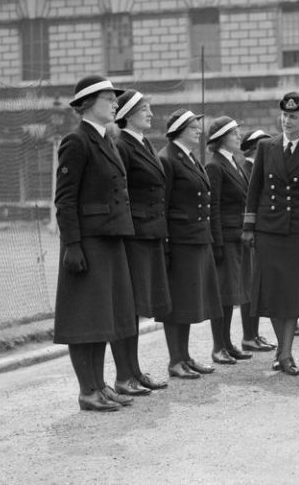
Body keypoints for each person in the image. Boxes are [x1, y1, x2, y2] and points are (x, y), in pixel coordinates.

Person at [53, 75, 137, 412]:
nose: (116, 103)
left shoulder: (104, 140)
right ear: (87, 104)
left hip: (108, 238)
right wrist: (73, 244)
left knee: (101, 317)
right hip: (87, 242)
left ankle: (99, 385)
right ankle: (87, 390)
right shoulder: (77, 141)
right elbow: (65, 199)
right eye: (109, 98)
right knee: (83, 318)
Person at [242, 92, 299, 376]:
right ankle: (282, 348)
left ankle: (286, 353)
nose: (287, 121)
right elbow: (254, 189)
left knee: (291, 294)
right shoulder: (266, 147)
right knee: (274, 293)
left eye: (293, 117)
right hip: (268, 230)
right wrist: (249, 226)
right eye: (284, 116)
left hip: (296, 232)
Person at [112, 89, 172, 395]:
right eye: (144, 109)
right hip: (135, 235)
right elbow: (119, 191)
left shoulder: (143, 142)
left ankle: (134, 371)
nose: (150, 113)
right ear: (129, 114)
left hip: (150, 233)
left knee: (137, 308)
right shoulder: (122, 144)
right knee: (129, 309)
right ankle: (124, 376)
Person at [157, 108, 222, 379]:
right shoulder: (167, 158)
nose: (199, 130)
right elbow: (163, 203)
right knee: (178, 304)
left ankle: (184, 357)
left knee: (189, 303)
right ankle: (175, 360)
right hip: (180, 240)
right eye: (194, 126)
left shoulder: (190, 157)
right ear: (180, 129)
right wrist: (167, 243)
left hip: (196, 238)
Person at [205, 116, 258, 365]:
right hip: (225, 238)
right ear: (221, 138)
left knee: (232, 294)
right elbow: (212, 207)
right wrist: (215, 242)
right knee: (224, 295)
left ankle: (227, 343)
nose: (239, 136)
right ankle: (218, 346)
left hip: (237, 238)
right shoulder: (215, 165)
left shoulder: (234, 162)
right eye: (234, 133)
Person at [237, 129, 277, 351]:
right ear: (255, 148)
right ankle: (248, 335)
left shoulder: (254, 169)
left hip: (261, 233)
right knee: (250, 287)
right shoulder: (249, 170)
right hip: (252, 234)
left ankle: (254, 333)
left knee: (256, 286)